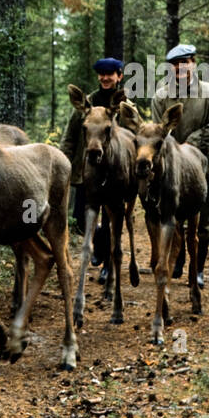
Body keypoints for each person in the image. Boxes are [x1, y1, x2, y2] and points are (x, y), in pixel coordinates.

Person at [151, 43, 209, 287]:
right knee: (172, 217)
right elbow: (157, 132)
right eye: (175, 64)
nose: (181, 68)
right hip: (169, 166)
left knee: (203, 221)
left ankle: (198, 268)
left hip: (201, 164)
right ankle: (178, 262)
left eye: (186, 62)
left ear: (194, 63)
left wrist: (188, 147)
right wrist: (172, 150)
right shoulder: (161, 96)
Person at [61, 57, 123, 277]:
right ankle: (99, 244)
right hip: (86, 172)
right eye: (102, 74)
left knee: (109, 220)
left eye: (110, 74)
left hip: (114, 173)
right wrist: (63, 163)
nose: (106, 78)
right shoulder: (86, 104)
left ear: (119, 76)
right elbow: (69, 138)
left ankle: (107, 264)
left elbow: (135, 137)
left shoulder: (123, 105)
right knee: (79, 219)